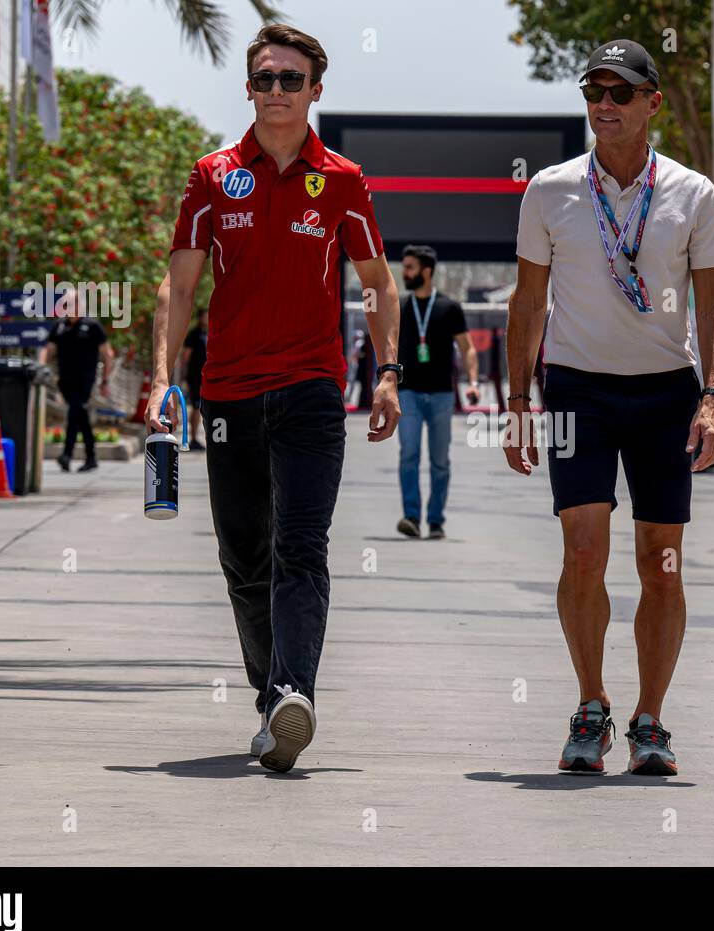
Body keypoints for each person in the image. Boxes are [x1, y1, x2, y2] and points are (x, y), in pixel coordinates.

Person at [148, 23, 402, 774]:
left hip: (312, 394)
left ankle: (295, 692)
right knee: (242, 558)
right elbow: (180, 284)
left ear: (315, 92)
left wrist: (387, 373)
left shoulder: (344, 180)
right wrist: (165, 376)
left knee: (302, 548)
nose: (278, 91)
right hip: (227, 397)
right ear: (249, 87)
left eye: (292, 79)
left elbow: (379, 284)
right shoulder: (212, 175)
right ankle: (273, 703)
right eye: (265, 78)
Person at [505, 39, 714, 776]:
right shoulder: (550, 190)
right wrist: (517, 403)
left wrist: (712, 398)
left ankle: (651, 722)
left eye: (622, 92)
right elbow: (528, 301)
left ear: (652, 104)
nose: (605, 103)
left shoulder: (694, 193)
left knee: (660, 564)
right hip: (577, 390)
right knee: (583, 551)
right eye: (594, 91)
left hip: (667, 391)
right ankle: (592, 705)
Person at [394, 244, 480, 540]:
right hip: (408, 393)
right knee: (409, 455)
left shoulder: (449, 307)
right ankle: (412, 517)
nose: (404, 273)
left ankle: (436, 520)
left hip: (442, 394)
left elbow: (468, 349)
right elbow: (388, 346)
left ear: (426, 271)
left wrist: (472, 382)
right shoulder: (400, 306)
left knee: (440, 460)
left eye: (410, 268)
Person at [38, 288, 113, 473]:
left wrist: (105, 381)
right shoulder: (60, 326)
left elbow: (107, 354)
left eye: (70, 304)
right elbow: (48, 349)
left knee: (75, 410)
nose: (67, 308)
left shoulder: (92, 326)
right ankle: (91, 456)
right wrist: (40, 367)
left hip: (86, 379)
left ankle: (67, 454)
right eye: (65, 305)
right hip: (65, 380)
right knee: (80, 414)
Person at [178, 307, 208, 451]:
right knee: (196, 407)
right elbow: (186, 356)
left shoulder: (210, 333)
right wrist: (184, 374)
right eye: (205, 316)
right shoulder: (194, 334)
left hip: (208, 377)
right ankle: (193, 438)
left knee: (203, 407)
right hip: (195, 376)